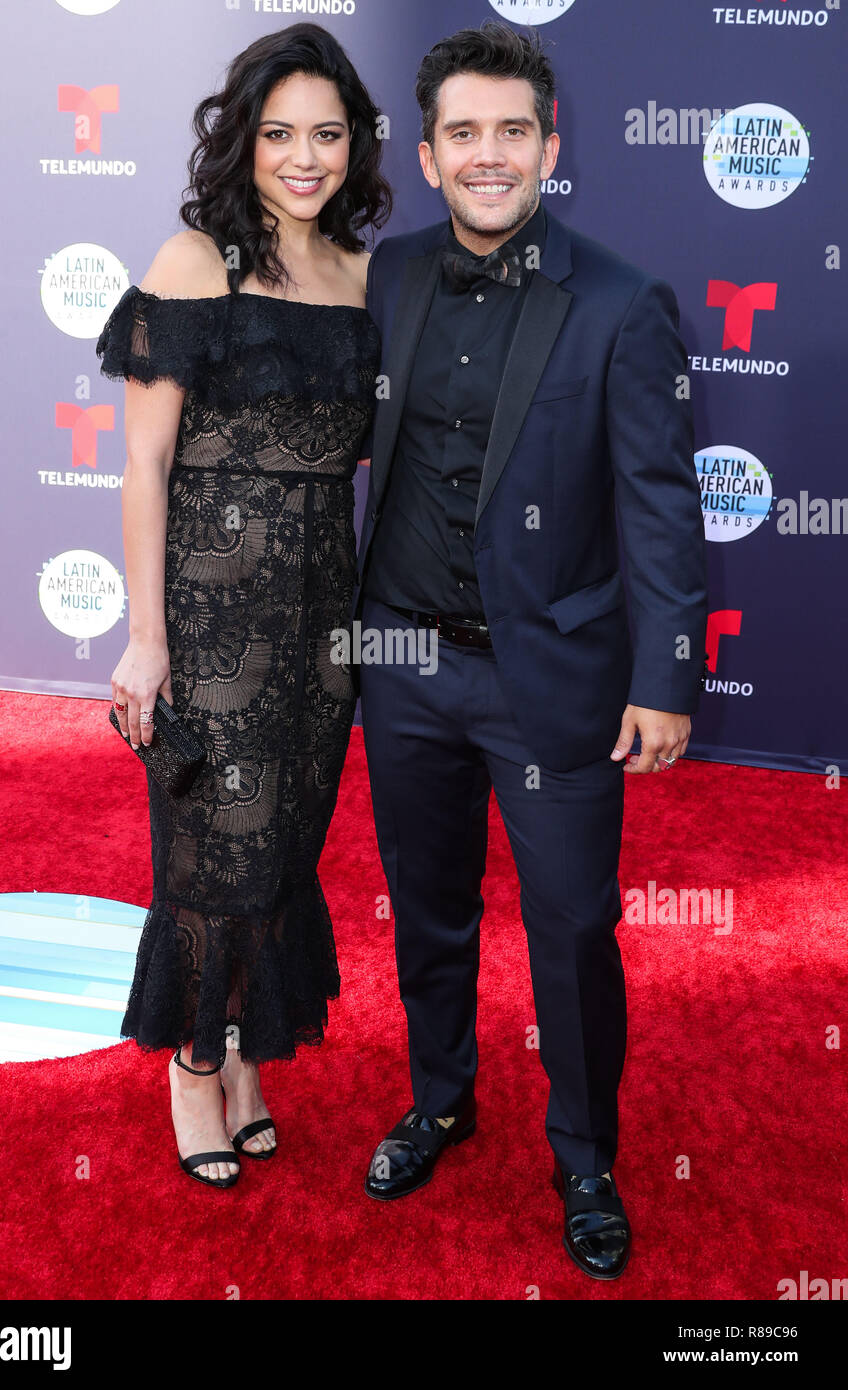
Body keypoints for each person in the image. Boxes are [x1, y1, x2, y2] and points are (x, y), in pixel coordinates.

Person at [352, 21, 708, 1278]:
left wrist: (667, 677)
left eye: (514, 132)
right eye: (464, 134)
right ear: (431, 151)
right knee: (428, 910)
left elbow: (663, 503)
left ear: (551, 145)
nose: (489, 155)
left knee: (568, 925)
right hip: (400, 666)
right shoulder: (386, 275)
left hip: (548, 677)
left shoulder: (620, 301)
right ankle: (441, 1097)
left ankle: (584, 1154)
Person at [97, 23, 388, 1189]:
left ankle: (251, 1059)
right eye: (280, 134)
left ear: (355, 144)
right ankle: (192, 1069)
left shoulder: (366, 277)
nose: (304, 157)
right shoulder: (192, 262)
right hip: (212, 625)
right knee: (213, 855)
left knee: (284, 849)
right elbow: (145, 466)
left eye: (326, 133)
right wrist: (146, 637)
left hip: (323, 626)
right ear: (244, 142)